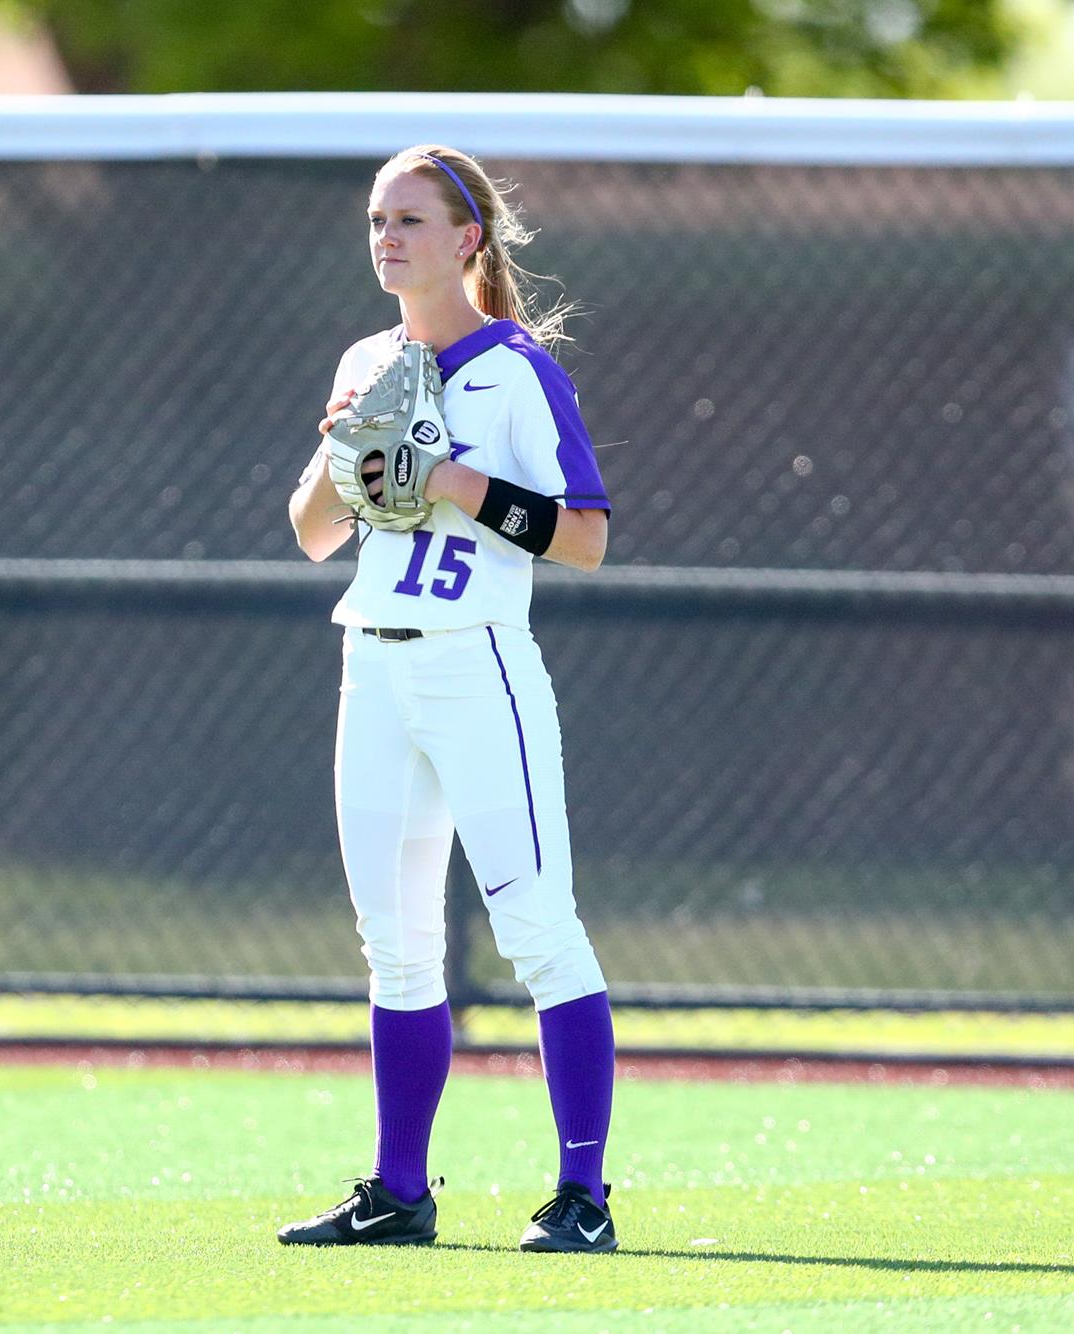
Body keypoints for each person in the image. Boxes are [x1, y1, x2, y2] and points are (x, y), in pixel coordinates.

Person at [278, 145, 618, 1254]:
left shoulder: (516, 370)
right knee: (395, 944)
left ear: (467, 238)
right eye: (378, 220)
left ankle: (582, 1196)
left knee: (538, 931)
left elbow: (584, 538)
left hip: (477, 664)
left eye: (411, 220)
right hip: (372, 666)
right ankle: (397, 1189)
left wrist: (455, 482)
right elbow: (311, 534)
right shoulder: (367, 357)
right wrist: (342, 445)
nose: (388, 238)